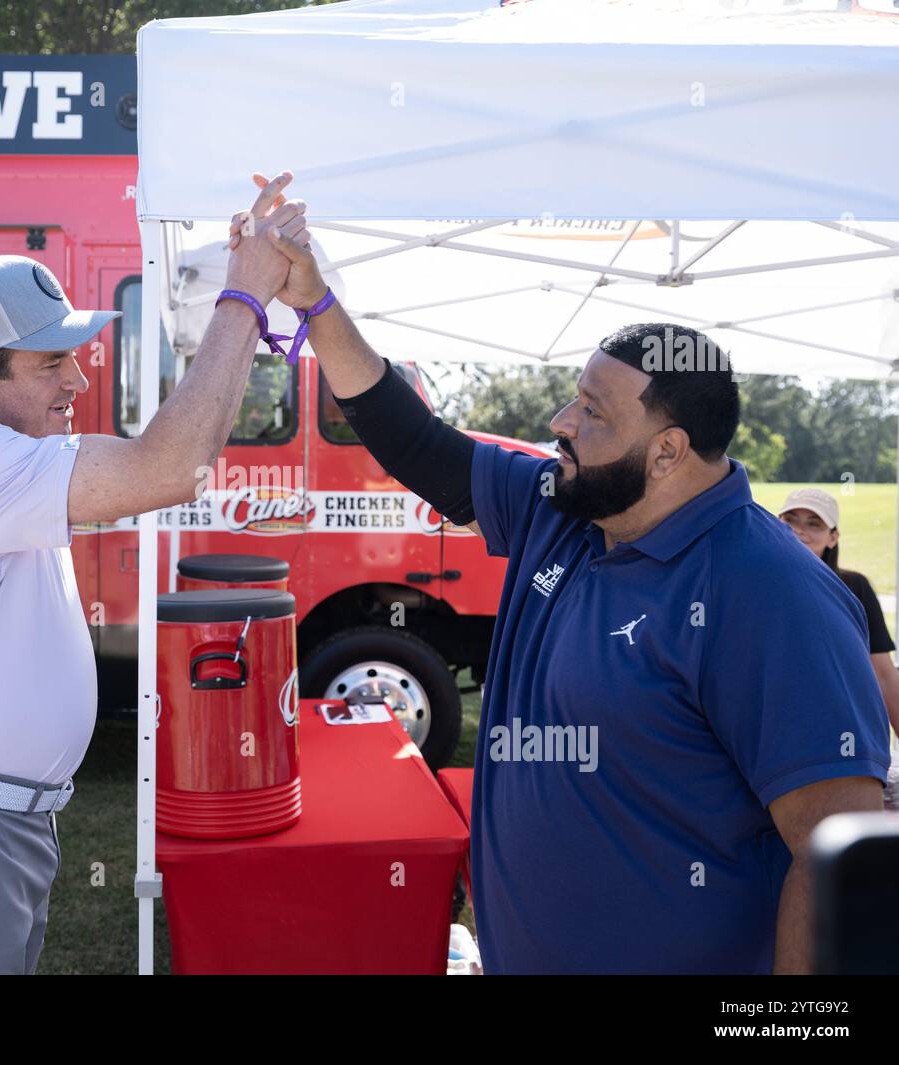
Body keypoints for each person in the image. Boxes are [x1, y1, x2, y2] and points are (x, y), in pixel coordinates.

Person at [235, 176, 890, 974]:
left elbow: (835, 854)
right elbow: (417, 443)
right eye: (574, 399)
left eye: (592, 412)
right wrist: (315, 302)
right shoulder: (564, 505)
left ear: (668, 452)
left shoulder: (773, 593)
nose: (560, 423)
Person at [0, 172, 310, 974]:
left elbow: (176, 464)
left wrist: (251, 294)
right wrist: (243, 296)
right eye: (52, 362)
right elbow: (170, 467)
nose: (79, 380)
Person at [778, 488, 899, 808]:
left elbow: (884, 673)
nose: (799, 530)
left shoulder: (854, 587)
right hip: (781, 736)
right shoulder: (755, 584)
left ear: (833, 537)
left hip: (844, 736)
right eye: (790, 520)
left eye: (814, 524)